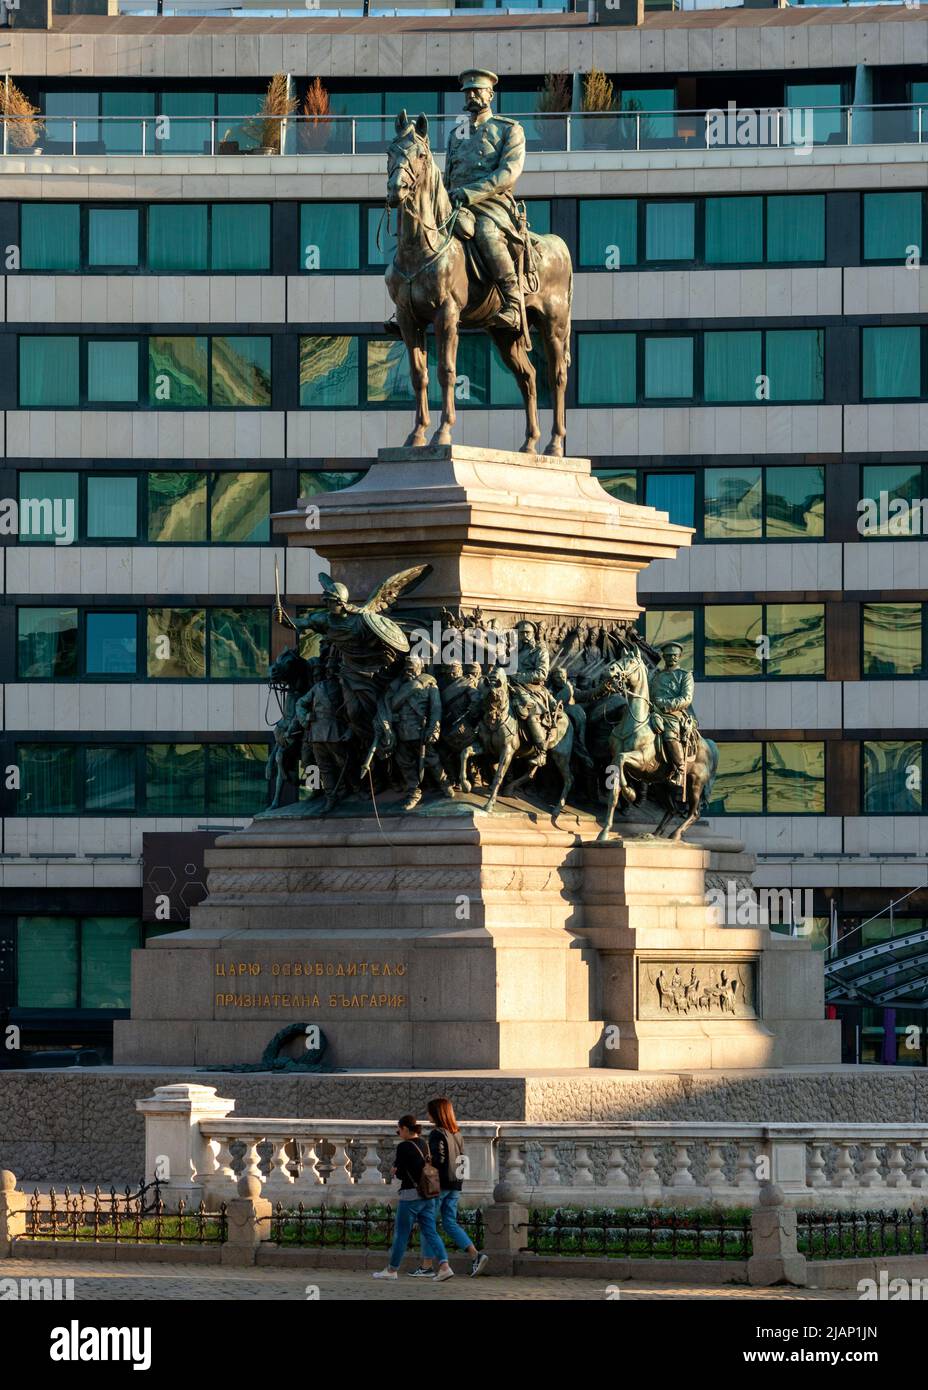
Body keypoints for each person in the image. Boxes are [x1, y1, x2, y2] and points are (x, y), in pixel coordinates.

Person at [410, 1097, 488, 1280]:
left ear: (437, 1113)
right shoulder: (457, 1133)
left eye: (429, 1111)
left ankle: (427, 1266)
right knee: (449, 1223)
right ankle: (476, 1255)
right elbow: (463, 1159)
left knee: (428, 1223)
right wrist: (458, 1182)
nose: (427, 1114)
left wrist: (424, 1162)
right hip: (455, 1184)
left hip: (440, 1186)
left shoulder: (437, 1134)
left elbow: (439, 1160)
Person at [373, 1115, 454, 1282]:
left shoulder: (404, 1147)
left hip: (410, 1195)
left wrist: (395, 1171)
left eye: (399, 1130)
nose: (398, 1133)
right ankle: (445, 1267)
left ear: (405, 1129)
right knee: (431, 1232)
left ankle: (392, 1269)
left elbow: (402, 1173)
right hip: (428, 1195)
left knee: (401, 1233)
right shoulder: (424, 1144)